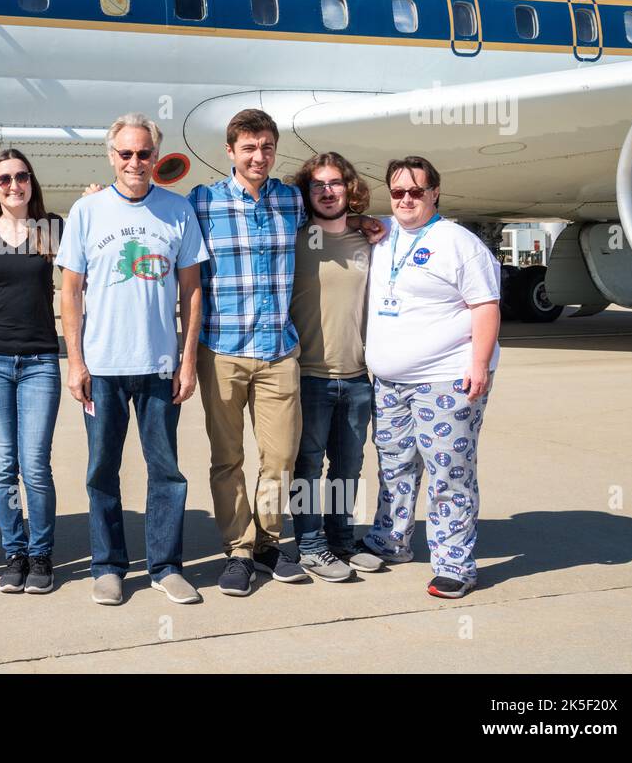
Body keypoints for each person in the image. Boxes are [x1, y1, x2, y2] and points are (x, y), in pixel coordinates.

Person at [189, 109, 385, 596]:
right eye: (249, 148)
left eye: (267, 148)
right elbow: (157, 223)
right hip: (223, 350)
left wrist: (365, 220)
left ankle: (271, 543)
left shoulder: (289, 200)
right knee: (228, 458)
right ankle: (239, 550)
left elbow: (331, 212)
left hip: (279, 352)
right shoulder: (201, 201)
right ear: (230, 152)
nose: (259, 157)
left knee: (280, 458)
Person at [57, 113, 208, 607]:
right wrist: (75, 363)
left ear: (155, 156)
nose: (135, 162)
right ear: (111, 156)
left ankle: (165, 567)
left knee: (166, 471)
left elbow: (191, 291)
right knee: (103, 470)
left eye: (144, 153)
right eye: (126, 153)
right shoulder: (87, 212)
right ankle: (109, 566)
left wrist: (187, 362)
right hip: (103, 369)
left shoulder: (178, 210)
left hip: (160, 368)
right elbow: (71, 292)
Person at [360, 156, 501, 599]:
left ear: (434, 193)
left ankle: (454, 564)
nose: (406, 199)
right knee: (394, 465)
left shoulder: (459, 243)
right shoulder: (383, 235)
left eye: (416, 191)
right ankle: (391, 540)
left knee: (449, 472)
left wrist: (478, 365)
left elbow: (486, 306)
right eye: (398, 192)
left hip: (446, 379)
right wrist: (366, 219)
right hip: (390, 383)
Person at [286, 152, 386, 581]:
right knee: (307, 465)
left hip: (358, 374)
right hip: (309, 373)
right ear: (306, 192)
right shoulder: (293, 236)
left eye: (335, 183)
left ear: (349, 188)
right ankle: (310, 545)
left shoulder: (370, 239)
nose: (327, 192)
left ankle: (341, 539)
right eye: (317, 185)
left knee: (348, 466)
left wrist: (372, 222)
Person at [0, 149, 63, 594]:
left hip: (42, 361)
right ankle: (15, 551)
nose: (13, 186)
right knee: (3, 465)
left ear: (31, 182)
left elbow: (86, 268)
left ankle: (42, 555)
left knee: (36, 465)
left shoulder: (53, 229)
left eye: (21, 177)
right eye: (3, 179)